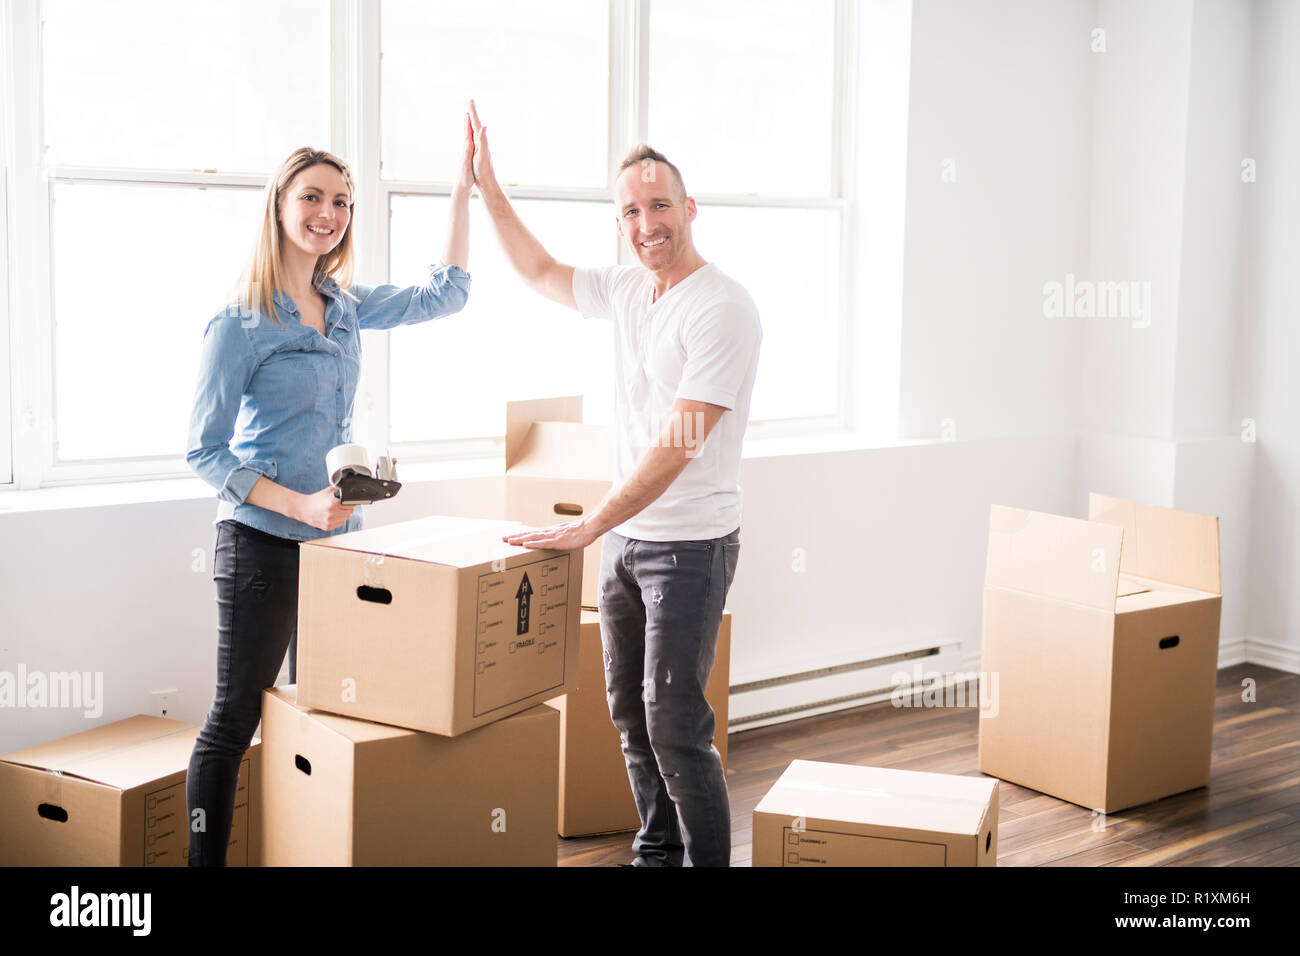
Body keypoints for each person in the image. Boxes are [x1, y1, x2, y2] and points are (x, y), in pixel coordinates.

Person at [468, 102, 761, 867]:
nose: (645, 223)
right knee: (629, 714)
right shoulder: (630, 291)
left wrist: (590, 523)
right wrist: (486, 188)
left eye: (659, 205)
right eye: (630, 210)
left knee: (674, 722)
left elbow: (681, 444)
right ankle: (656, 853)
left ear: (688, 209)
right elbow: (536, 270)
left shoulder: (722, 308)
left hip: (689, 546)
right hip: (627, 543)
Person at [183, 121, 475, 866]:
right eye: (313, 196)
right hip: (259, 545)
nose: (329, 213)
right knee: (235, 717)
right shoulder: (240, 321)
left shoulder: (343, 306)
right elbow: (205, 451)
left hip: (336, 550)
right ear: (279, 205)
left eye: (342, 202)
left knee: (324, 712)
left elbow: (445, 297)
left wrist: (463, 186)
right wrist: (301, 505)